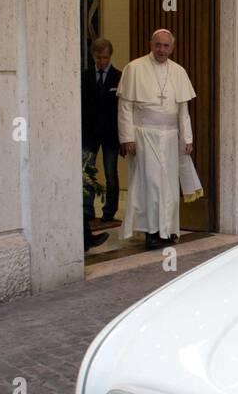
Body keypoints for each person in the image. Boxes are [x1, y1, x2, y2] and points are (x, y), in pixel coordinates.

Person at [117, 29, 196, 250]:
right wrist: (127, 137)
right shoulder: (134, 68)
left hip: (170, 136)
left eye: (166, 46)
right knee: (151, 184)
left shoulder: (179, 71)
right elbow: (125, 107)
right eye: (158, 45)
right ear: (151, 44)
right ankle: (151, 231)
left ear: (172, 47)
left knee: (169, 185)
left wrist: (187, 138)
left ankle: (168, 230)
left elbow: (183, 110)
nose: (162, 50)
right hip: (144, 134)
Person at [81, 38, 122, 224]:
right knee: (87, 172)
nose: (102, 62)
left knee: (111, 173)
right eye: (98, 58)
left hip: (111, 133)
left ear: (110, 56)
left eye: (105, 58)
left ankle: (109, 211)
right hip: (89, 132)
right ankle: (87, 210)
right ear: (93, 56)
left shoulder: (118, 76)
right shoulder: (85, 76)